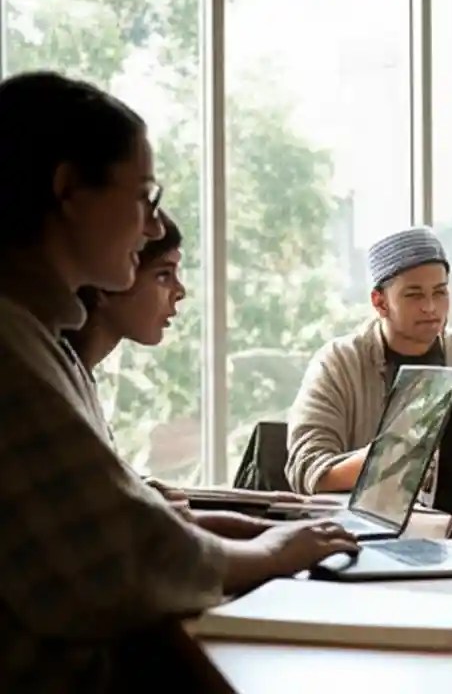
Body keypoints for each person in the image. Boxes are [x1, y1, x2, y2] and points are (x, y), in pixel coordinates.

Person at [0, 70, 357, 690]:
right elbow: (120, 562)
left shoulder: (35, 335)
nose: (154, 226)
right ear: (69, 190)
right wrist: (272, 555)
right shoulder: (10, 343)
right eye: (143, 195)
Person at [65, 210, 306, 538]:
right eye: (164, 275)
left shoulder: (79, 374)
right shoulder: (57, 383)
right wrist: (275, 544)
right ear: (107, 283)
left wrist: (262, 504)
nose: (180, 291)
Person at [285, 225, 452, 494]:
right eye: (414, 295)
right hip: (359, 527)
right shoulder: (337, 364)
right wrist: (398, 456)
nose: (430, 307)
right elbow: (310, 470)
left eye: (440, 292)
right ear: (380, 302)